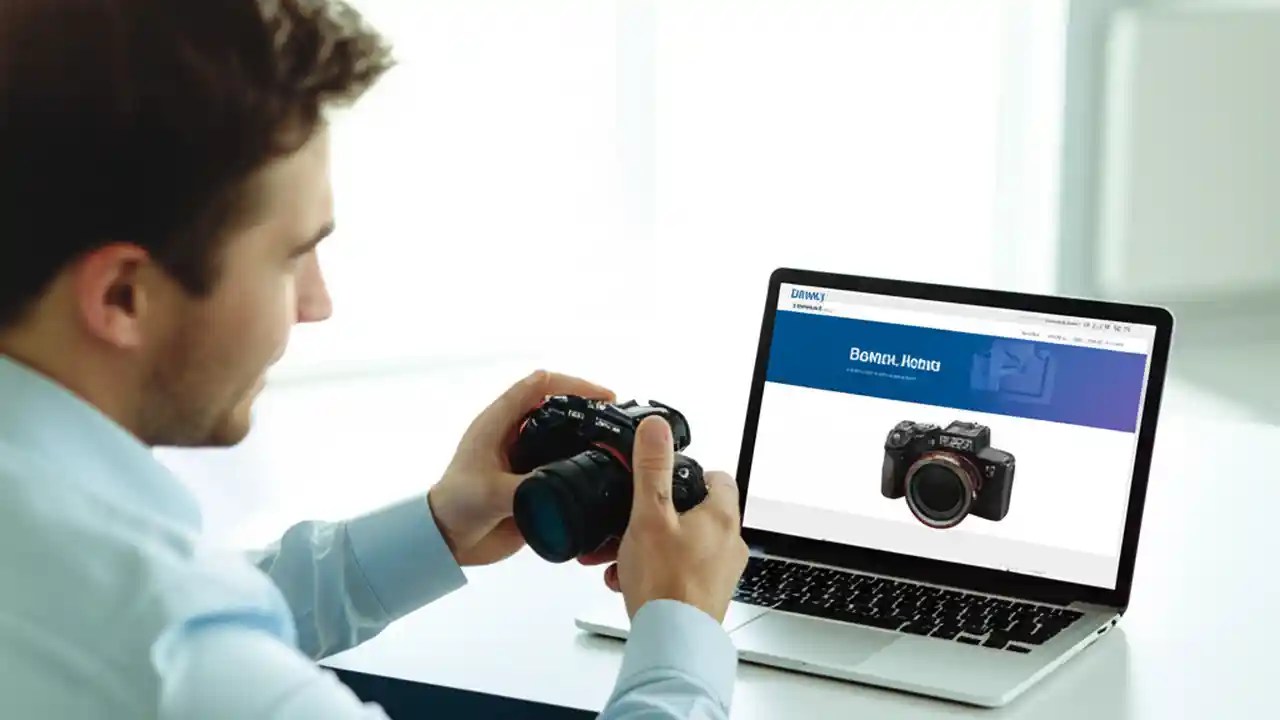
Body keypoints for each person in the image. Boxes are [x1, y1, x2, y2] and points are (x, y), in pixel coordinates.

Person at [0, 1, 750, 718]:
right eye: (292, 256)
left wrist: (436, 528)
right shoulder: (169, 659)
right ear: (125, 296)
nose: (316, 302)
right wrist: (680, 636)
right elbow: (175, 648)